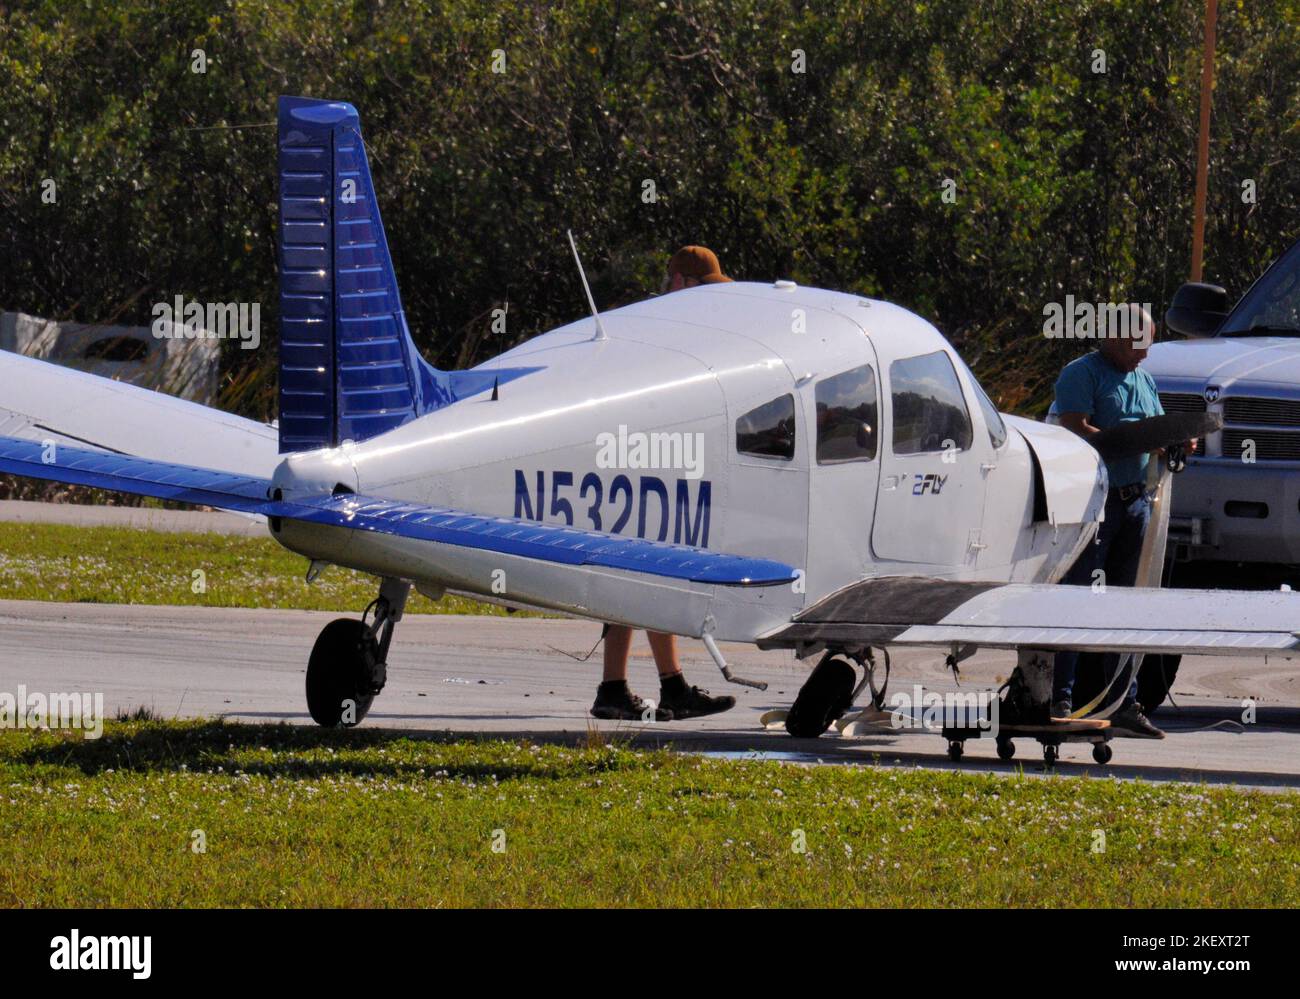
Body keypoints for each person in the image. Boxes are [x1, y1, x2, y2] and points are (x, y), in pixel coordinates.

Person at [590, 246, 736, 722]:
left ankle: (621, 689)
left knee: (635, 578)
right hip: (644, 463)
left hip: (635, 460)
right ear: (679, 283)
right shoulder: (665, 331)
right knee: (651, 575)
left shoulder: (647, 326)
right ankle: (662, 688)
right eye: (702, 287)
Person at [1050, 304, 1193, 738]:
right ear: (1113, 337)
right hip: (1096, 505)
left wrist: (1173, 441)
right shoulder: (1082, 373)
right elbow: (1073, 430)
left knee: (1126, 605)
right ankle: (1062, 699)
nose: (1146, 353)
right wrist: (1132, 440)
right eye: (1139, 343)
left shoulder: (1143, 378)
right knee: (1079, 600)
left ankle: (1124, 702)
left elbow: (1155, 426)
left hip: (1136, 503)